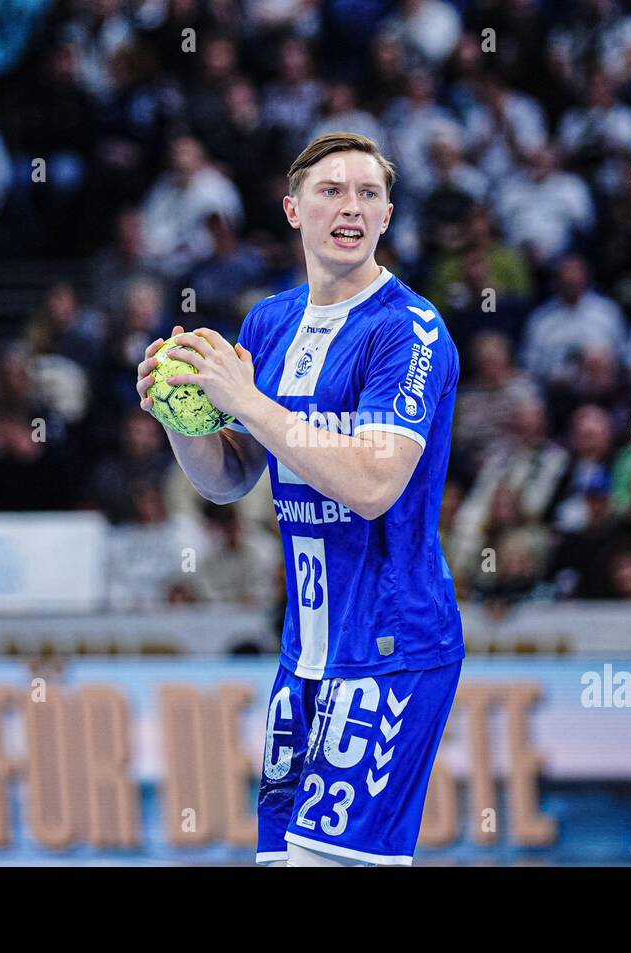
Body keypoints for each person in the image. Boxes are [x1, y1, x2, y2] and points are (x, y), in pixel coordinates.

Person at [135, 132, 463, 867]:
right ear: (292, 209)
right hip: (305, 653)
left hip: (392, 644)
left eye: (369, 194)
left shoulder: (409, 332)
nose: (352, 207)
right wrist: (180, 417)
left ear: (386, 217)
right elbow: (228, 479)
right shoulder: (270, 323)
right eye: (332, 191)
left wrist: (245, 399)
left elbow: (375, 487)